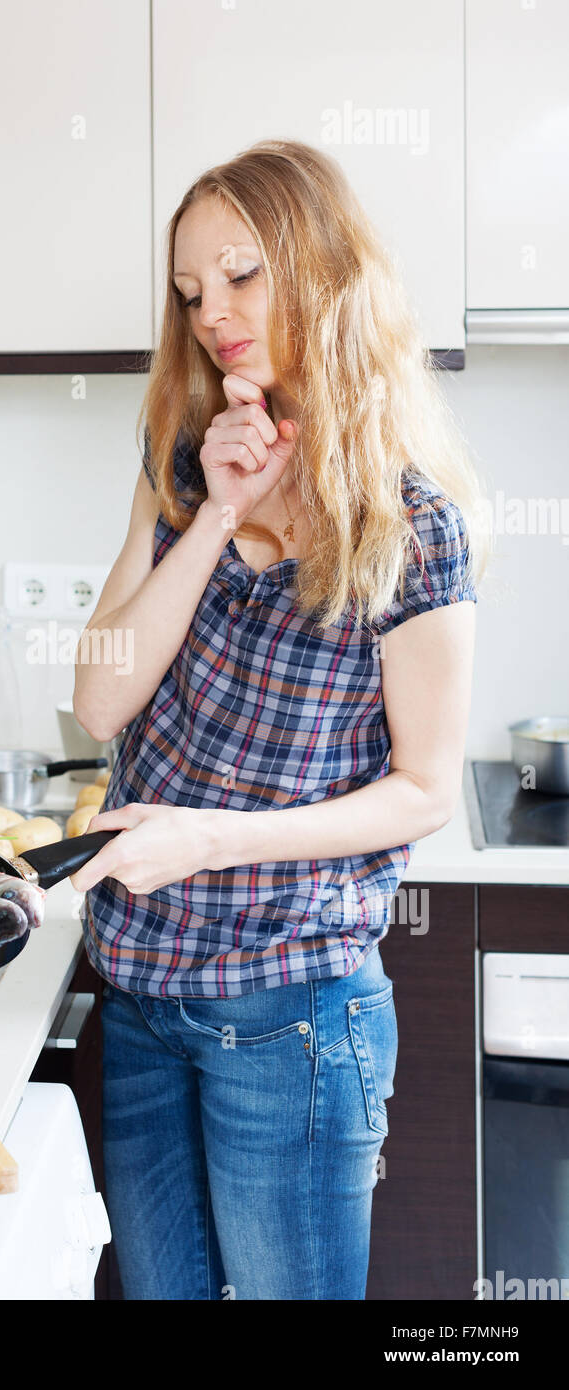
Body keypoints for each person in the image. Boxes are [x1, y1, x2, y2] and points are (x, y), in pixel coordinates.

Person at [70, 139, 487, 1301]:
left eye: (242, 275)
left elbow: (425, 790)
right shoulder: (179, 466)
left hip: (293, 1011)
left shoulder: (410, 525)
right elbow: (100, 694)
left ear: (321, 268)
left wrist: (210, 838)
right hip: (144, 997)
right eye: (192, 291)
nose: (212, 314)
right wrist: (211, 514)